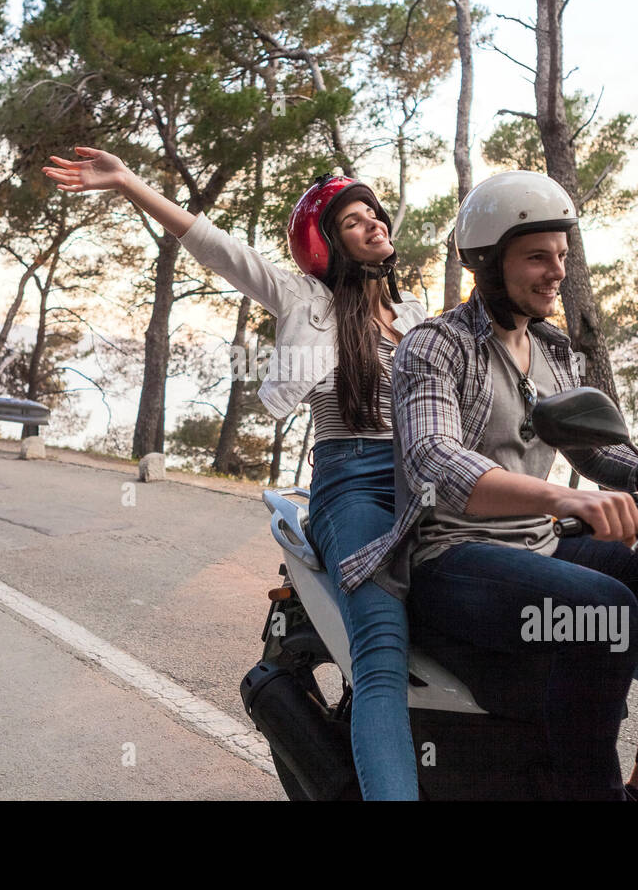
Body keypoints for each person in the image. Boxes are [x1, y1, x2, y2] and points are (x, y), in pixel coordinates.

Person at [43, 148, 428, 800]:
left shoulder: (417, 312)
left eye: (374, 214)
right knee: (380, 657)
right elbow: (218, 249)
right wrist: (131, 182)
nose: (372, 225)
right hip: (352, 482)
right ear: (327, 244)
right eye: (352, 220)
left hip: (425, 479)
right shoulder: (307, 299)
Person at [341, 170, 638, 800]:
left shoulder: (551, 349)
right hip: (451, 557)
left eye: (563, 257)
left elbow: (602, 454)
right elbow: (434, 461)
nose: (557, 273)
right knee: (602, 610)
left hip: (536, 546)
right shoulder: (433, 345)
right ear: (490, 264)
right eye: (538, 258)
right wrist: (562, 497)